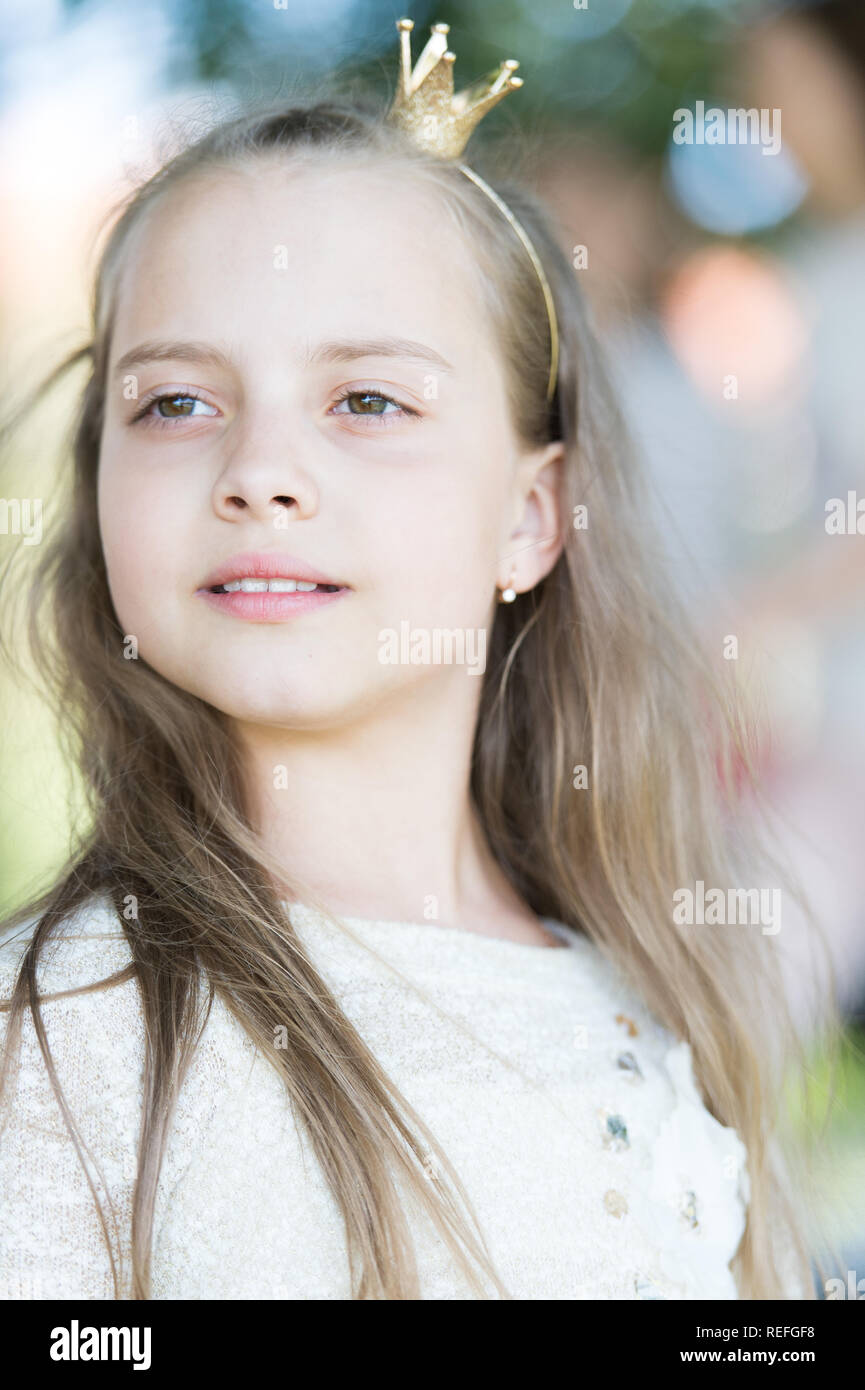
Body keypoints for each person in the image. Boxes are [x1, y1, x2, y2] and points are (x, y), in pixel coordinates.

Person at [0, 19, 835, 1299]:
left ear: (530, 513)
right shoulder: (55, 1036)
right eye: (176, 402)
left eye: (368, 401)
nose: (262, 473)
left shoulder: (662, 1001)